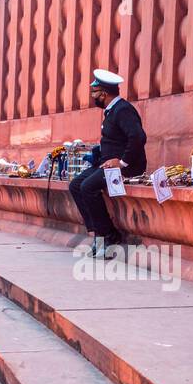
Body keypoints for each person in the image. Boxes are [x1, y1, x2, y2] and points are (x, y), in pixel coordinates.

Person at [68, 69, 147, 254]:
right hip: (105, 164)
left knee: (88, 187)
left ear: (103, 93)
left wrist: (122, 162)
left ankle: (108, 235)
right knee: (75, 185)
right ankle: (98, 232)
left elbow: (138, 137)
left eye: (95, 93)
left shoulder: (123, 110)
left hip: (128, 168)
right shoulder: (112, 111)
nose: (93, 97)